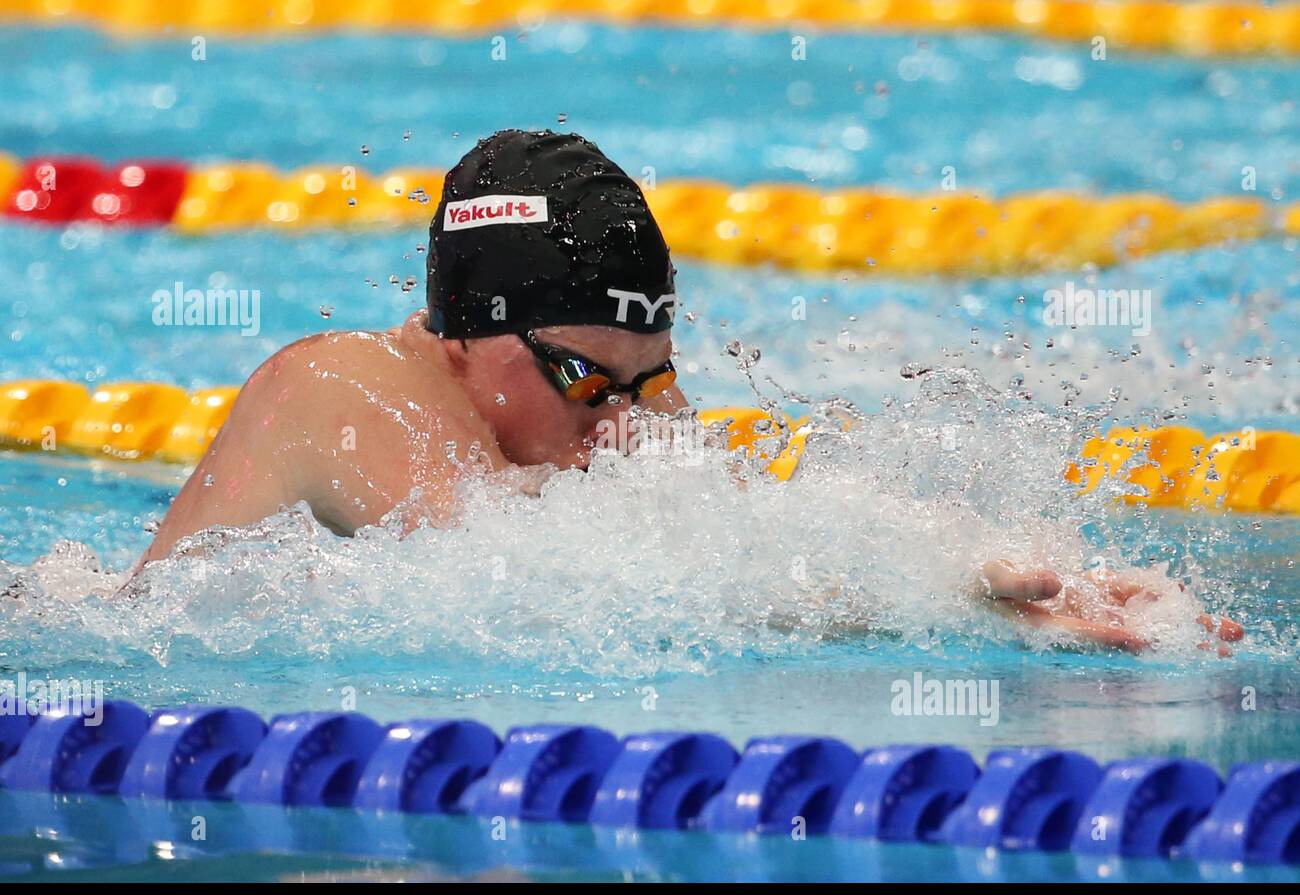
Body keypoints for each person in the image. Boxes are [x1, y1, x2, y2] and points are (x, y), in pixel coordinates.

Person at [140, 129, 1240, 652]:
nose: (619, 423)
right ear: (468, 337)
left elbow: (744, 522)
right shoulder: (339, 388)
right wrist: (938, 585)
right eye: (579, 380)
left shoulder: (610, 398)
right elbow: (525, 567)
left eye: (647, 382)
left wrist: (1015, 580)